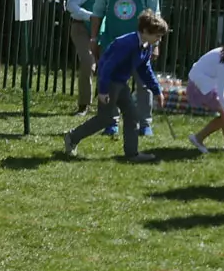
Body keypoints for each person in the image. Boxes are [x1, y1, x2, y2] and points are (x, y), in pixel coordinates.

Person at [62, 10, 167, 162]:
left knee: (132, 115)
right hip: (110, 81)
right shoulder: (126, 43)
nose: (159, 40)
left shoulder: (146, 46)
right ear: (144, 31)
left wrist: (157, 91)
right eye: (157, 36)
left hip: (121, 83)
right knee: (105, 119)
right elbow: (107, 67)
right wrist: (103, 91)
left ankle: (132, 154)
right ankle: (72, 137)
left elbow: (145, 70)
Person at [89, 0, 161, 137]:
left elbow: (155, 16)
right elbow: (97, 12)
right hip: (113, 41)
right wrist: (94, 39)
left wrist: (154, 45)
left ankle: (145, 123)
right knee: (112, 82)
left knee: (143, 82)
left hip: (140, 43)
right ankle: (111, 121)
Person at [63, 0, 114, 115]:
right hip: (81, 27)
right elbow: (71, 5)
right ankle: (84, 105)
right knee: (87, 63)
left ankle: (105, 104)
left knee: (107, 65)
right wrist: (90, 16)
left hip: (105, 29)